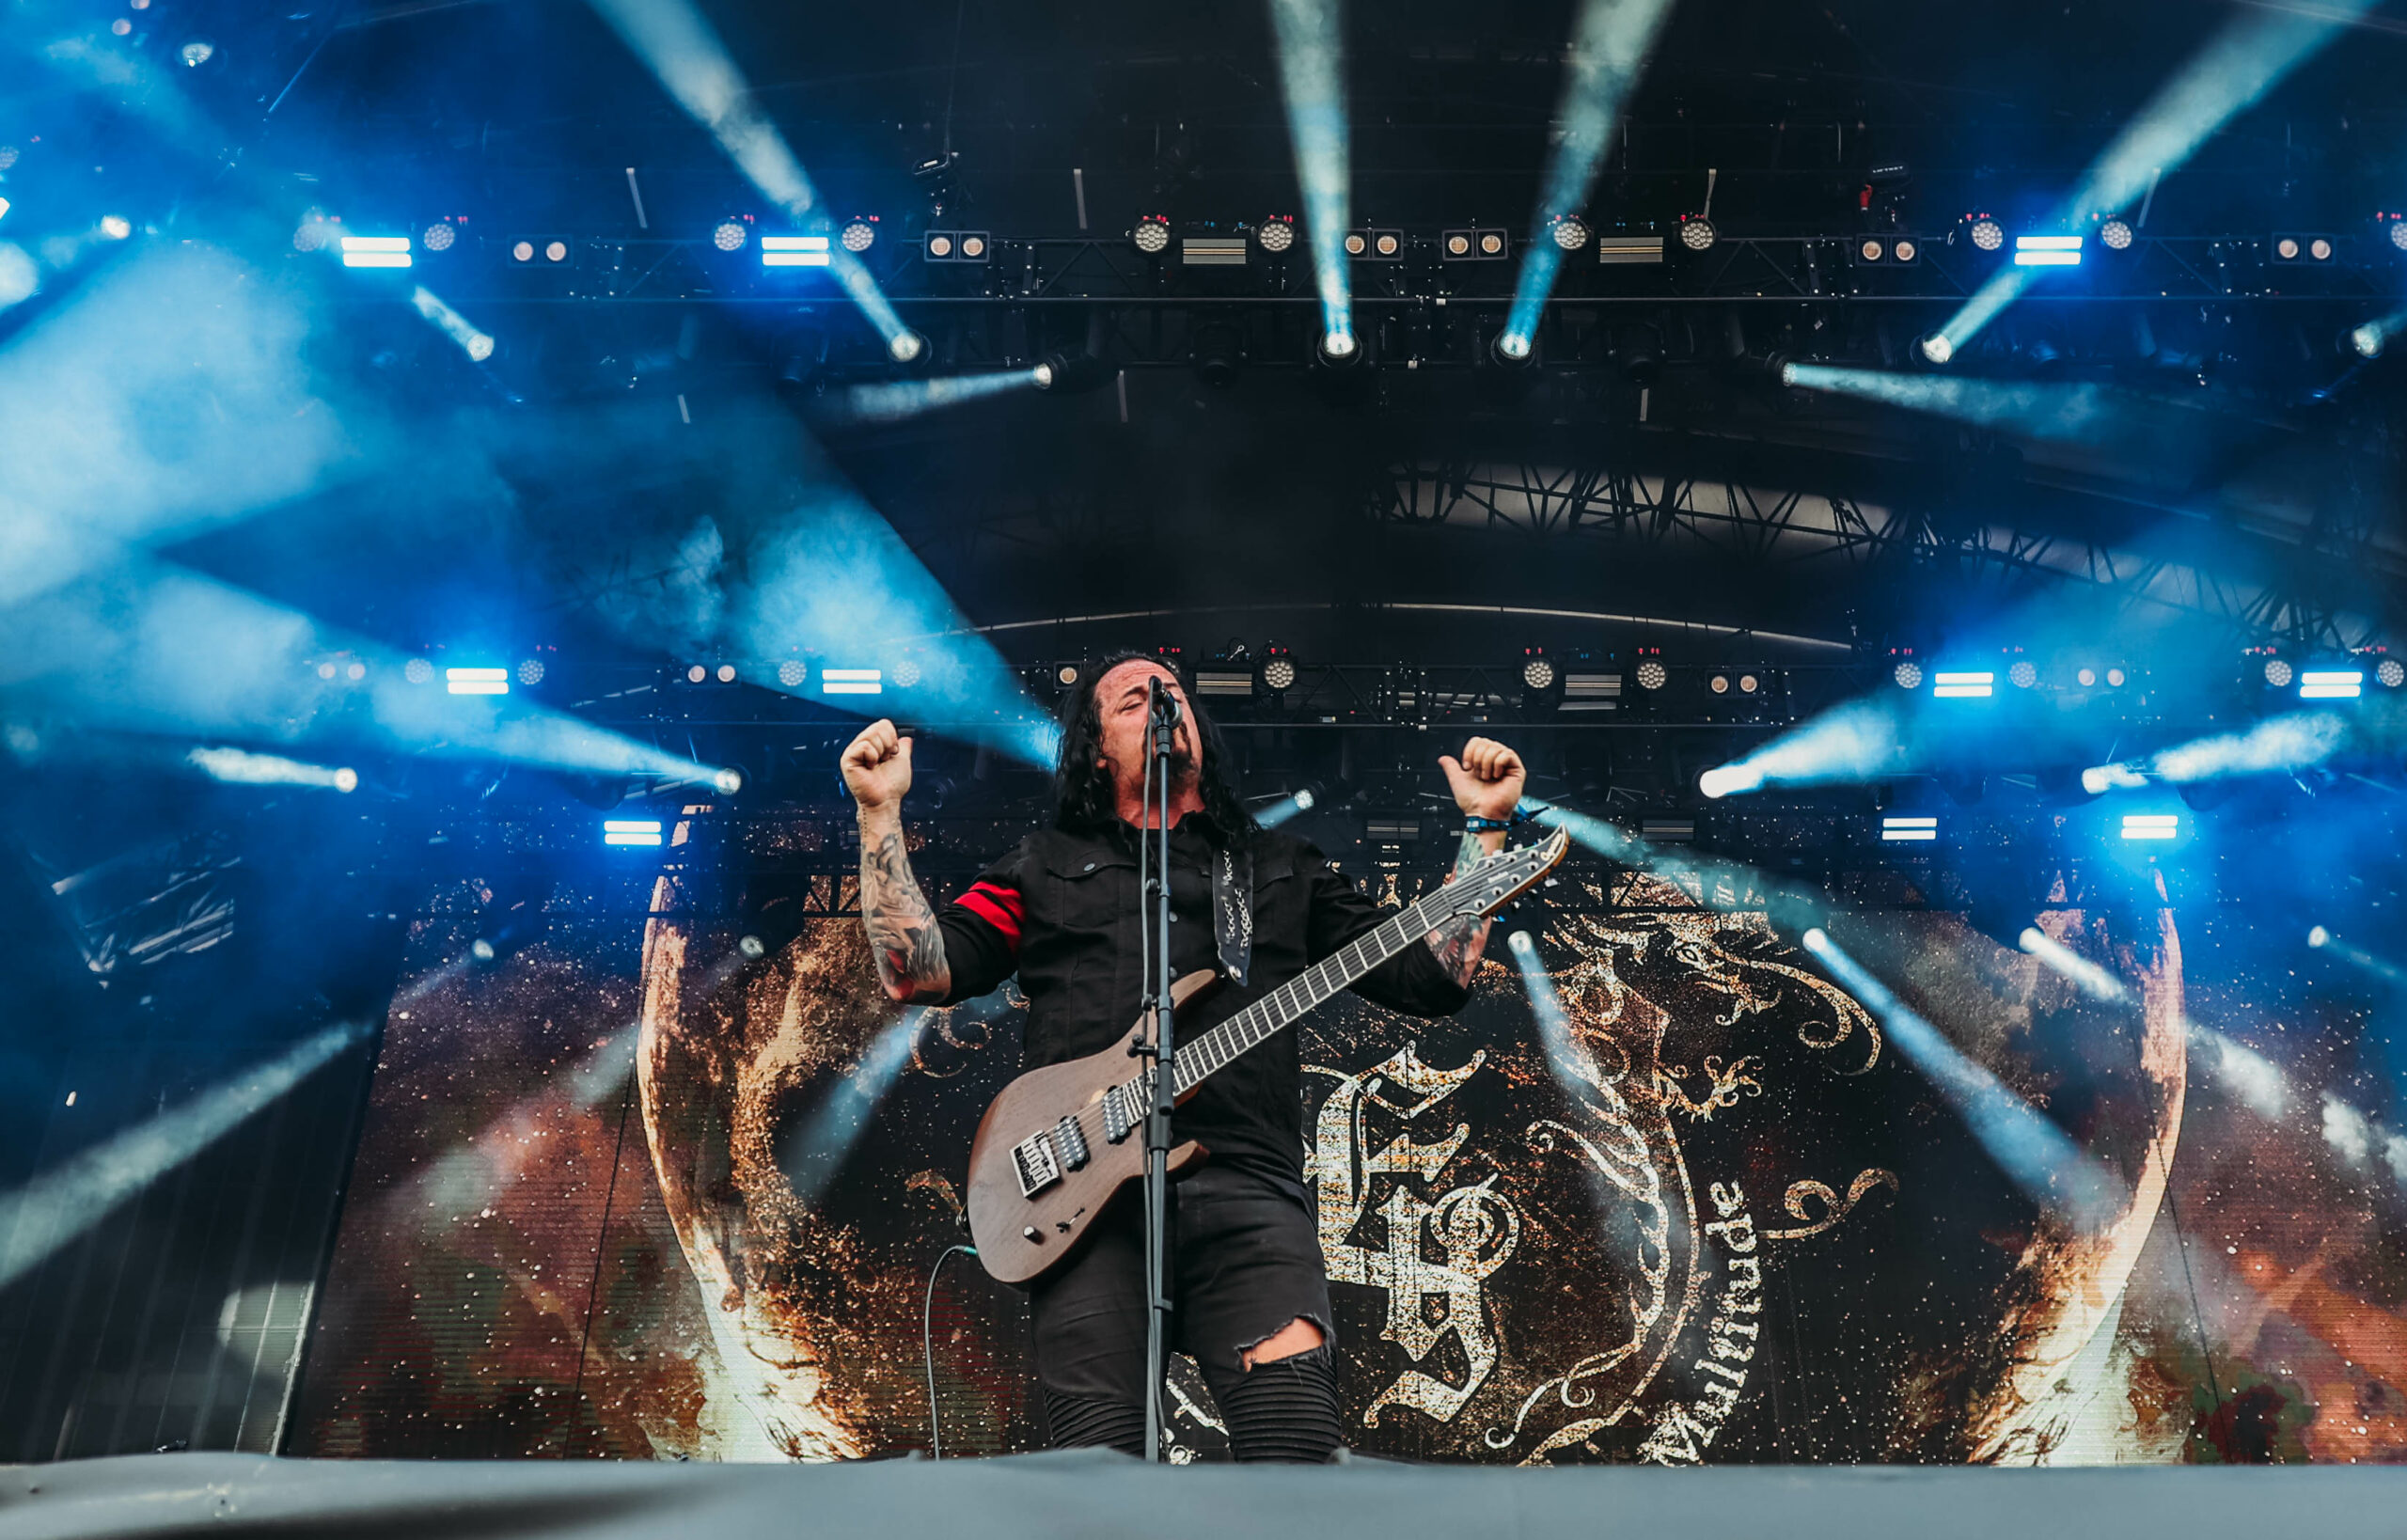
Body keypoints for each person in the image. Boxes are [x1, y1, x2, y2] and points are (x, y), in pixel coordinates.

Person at [839, 651, 1526, 1463]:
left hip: (1249, 1190)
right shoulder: (1045, 863)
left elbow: (1429, 978)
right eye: (1133, 700)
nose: (1161, 703)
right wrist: (879, 815)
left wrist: (1484, 831)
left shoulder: (1277, 866)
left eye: (1173, 696)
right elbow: (918, 970)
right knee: (1099, 1473)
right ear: (1098, 747)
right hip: (1082, 1199)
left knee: (1297, 1456)